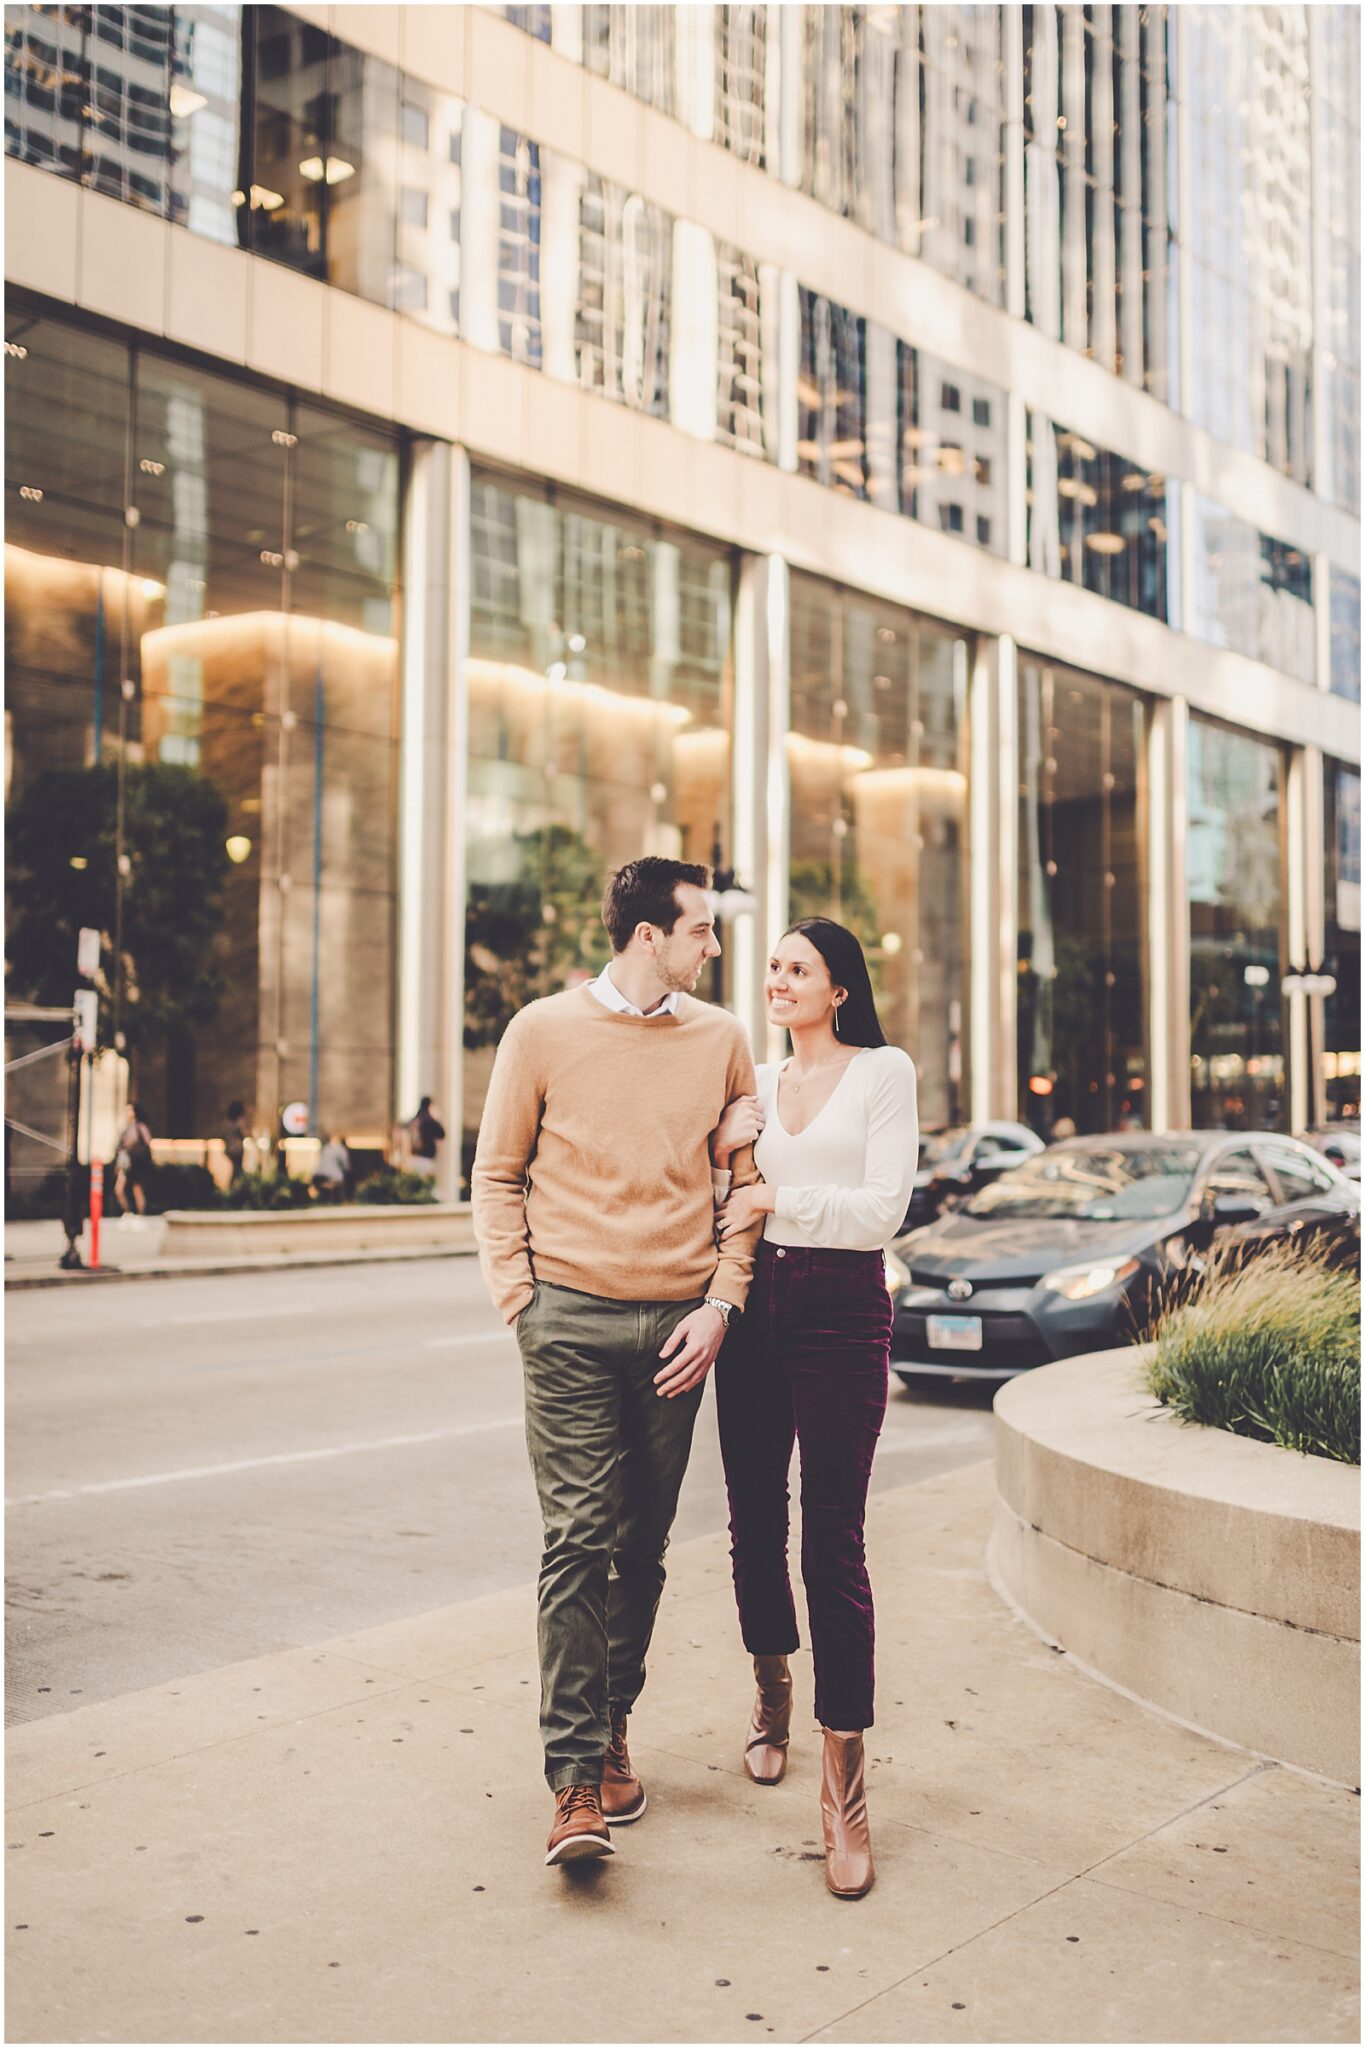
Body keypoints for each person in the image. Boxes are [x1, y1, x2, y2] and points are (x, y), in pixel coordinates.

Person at [472, 856, 765, 1870]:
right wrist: (523, 1304)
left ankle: (612, 1721)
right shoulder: (542, 1031)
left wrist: (723, 1301)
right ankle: (574, 1780)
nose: (715, 946)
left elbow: (748, 1188)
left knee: (641, 1548)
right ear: (647, 933)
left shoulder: (721, 1039)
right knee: (576, 1541)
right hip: (569, 1326)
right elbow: (497, 1173)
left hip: (679, 1331)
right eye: (701, 929)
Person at [711, 918, 918, 1901]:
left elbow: (882, 1210)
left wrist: (772, 1203)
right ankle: (771, 1685)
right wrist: (726, 1156)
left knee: (830, 1540)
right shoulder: (748, 1076)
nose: (779, 980)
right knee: (753, 1521)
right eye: (773, 968)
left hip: (843, 1311)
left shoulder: (884, 1072)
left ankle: (845, 1785)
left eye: (799, 968)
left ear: (840, 987)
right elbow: (720, 1192)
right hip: (752, 1310)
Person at [114, 1103, 156, 1217]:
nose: (127, 1113)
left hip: (137, 1162)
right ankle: (128, 1212)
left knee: (137, 1189)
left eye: (129, 1110)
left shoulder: (140, 1127)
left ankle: (140, 1214)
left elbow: (147, 1143)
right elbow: (120, 1148)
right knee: (119, 1189)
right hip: (126, 1163)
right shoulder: (124, 1129)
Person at [406, 1096, 445, 1180]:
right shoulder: (429, 1121)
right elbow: (442, 1134)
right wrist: (437, 1119)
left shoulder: (415, 1120)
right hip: (426, 1159)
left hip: (413, 1158)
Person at [312, 1133, 352, 1202]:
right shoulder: (341, 1149)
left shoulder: (326, 1148)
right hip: (331, 1176)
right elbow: (346, 1165)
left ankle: (327, 1197)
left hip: (320, 1175)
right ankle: (341, 1199)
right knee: (339, 1183)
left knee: (332, 1184)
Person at [222, 1101, 248, 1184]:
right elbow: (243, 1134)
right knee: (237, 1171)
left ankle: (234, 1187)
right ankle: (234, 1187)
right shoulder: (237, 1124)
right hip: (236, 1150)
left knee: (236, 1170)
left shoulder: (227, 1124)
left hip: (230, 1149)